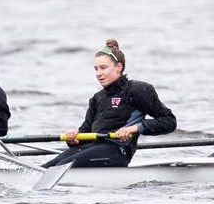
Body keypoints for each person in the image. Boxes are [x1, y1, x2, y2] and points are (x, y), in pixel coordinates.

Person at [46, 38, 176, 168]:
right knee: (46, 167)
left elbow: (169, 121)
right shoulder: (97, 98)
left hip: (117, 150)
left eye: (103, 68)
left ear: (118, 67)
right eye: (96, 69)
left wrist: (134, 128)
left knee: (62, 166)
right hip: (92, 147)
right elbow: (85, 133)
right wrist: (74, 138)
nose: (98, 74)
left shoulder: (138, 90)